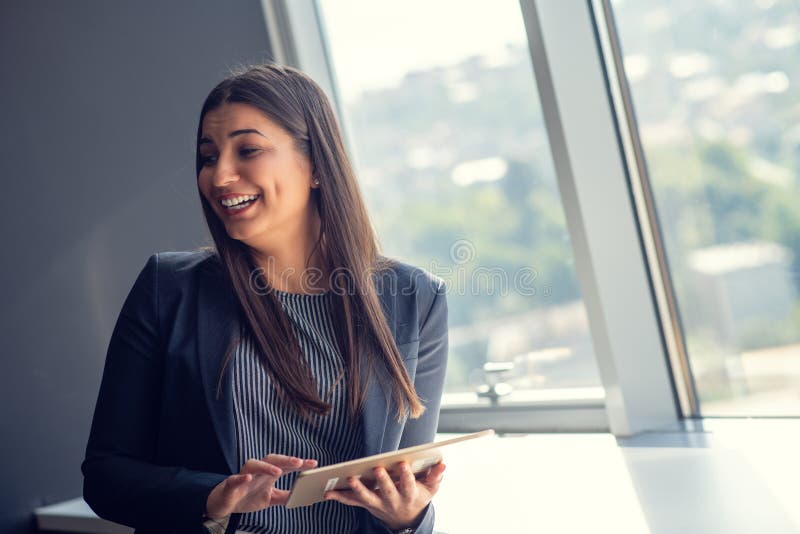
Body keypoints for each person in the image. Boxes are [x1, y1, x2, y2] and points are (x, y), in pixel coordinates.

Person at [81, 64, 449, 534]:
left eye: (248, 150)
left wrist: (410, 517)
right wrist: (215, 497)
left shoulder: (415, 299)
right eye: (208, 157)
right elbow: (107, 475)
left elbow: (406, 482)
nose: (219, 176)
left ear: (316, 164)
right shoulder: (167, 288)